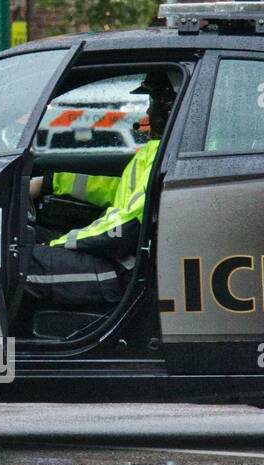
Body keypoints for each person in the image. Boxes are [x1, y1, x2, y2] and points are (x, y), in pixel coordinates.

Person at [23, 72, 176, 311]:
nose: (147, 114)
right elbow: (115, 189)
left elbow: (123, 228)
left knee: (17, 266)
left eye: (153, 104)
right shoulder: (154, 152)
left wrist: (59, 243)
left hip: (120, 270)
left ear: (169, 110)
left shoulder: (166, 159)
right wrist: (48, 183)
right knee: (25, 243)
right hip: (115, 255)